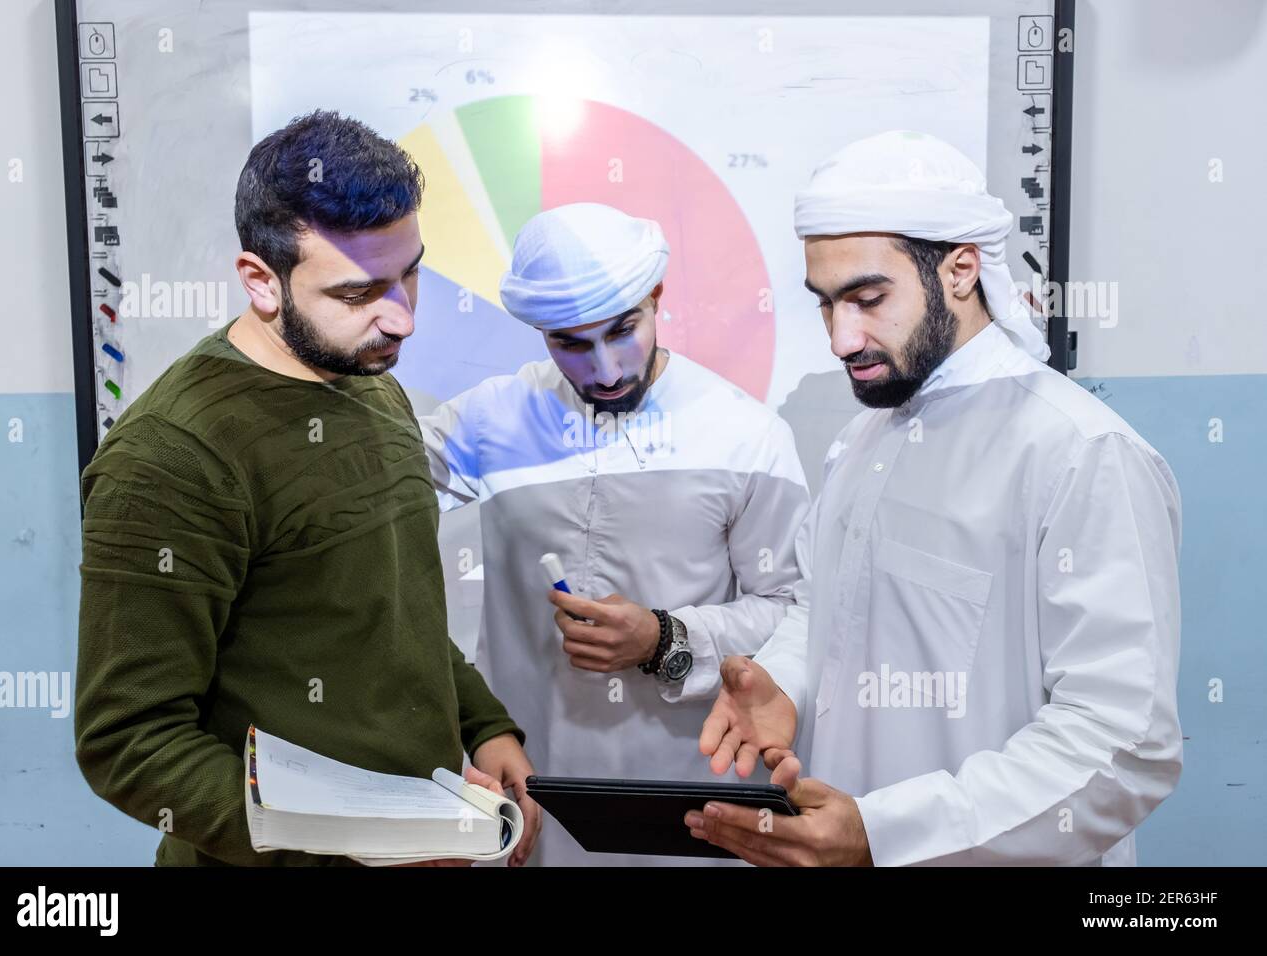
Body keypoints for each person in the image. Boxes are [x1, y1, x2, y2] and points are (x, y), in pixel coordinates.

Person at [689, 130, 1183, 866]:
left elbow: (1123, 741)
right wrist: (786, 684)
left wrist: (884, 834)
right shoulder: (861, 444)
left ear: (960, 270)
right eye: (825, 305)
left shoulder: (1079, 454)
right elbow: (825, 608)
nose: (840, 338)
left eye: (866, 299)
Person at [74, 110, 537, 866]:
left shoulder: (367, 377)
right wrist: (368, 841)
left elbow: (391, 610)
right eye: (359, 293)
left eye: (409, 272)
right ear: (261, 280)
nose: (402, 318)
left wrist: (482, 724)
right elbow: (129, 742)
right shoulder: (172, 460)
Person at [419, 202, 810, 865]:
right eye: (570, 343)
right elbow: (368, 483)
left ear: (656, 297)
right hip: (530, 799)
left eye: (623, 330)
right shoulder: (491, 419)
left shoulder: (747, 435)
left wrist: (664, 638)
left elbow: (795, 610)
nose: (605, 370)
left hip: (692, 802)